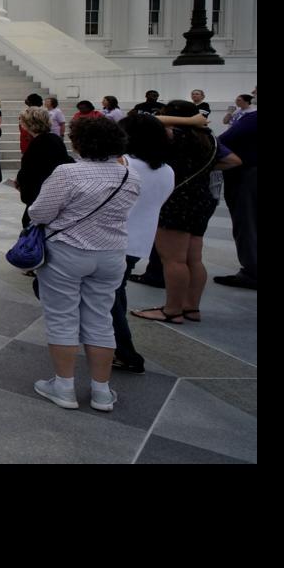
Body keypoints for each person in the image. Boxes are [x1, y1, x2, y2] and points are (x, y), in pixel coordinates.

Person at [28, 115, 139, 413]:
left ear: (78, 141)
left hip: (67, 250)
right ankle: (102, 391)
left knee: (62, 316)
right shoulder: (129, 175)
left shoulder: (67, 173)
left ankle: (64, 386)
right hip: (112, 253)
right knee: (101, 318)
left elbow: (39, 212)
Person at [130, 101, 239, 325]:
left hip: (176, 199)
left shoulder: (174, 137)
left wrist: (187, 122)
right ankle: (191, 307)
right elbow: (233, 161)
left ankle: (172, 310)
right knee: (194, 259)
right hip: (201, 198)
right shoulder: (208, 139)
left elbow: (141, 121)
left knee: (173, 260)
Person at [110, 114, 174, 374]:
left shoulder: (125, 165)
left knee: (109, 297)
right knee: (116, 292)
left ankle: (126, 352)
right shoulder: (166, 170)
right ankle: (117, 345)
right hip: (138, 242)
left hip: (113, 239)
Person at [213, 87, 257, 290]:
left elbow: (224, 140)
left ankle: (251, 270)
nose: (253, 91)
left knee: (246, 220)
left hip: (246, 173)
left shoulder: (251, 119)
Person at [16, 106, 73, 230]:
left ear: (28, 124)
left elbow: (31, 173)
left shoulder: (38, 144)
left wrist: (20, 182)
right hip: (57, 194)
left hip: (42, 197)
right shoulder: (54, 139)